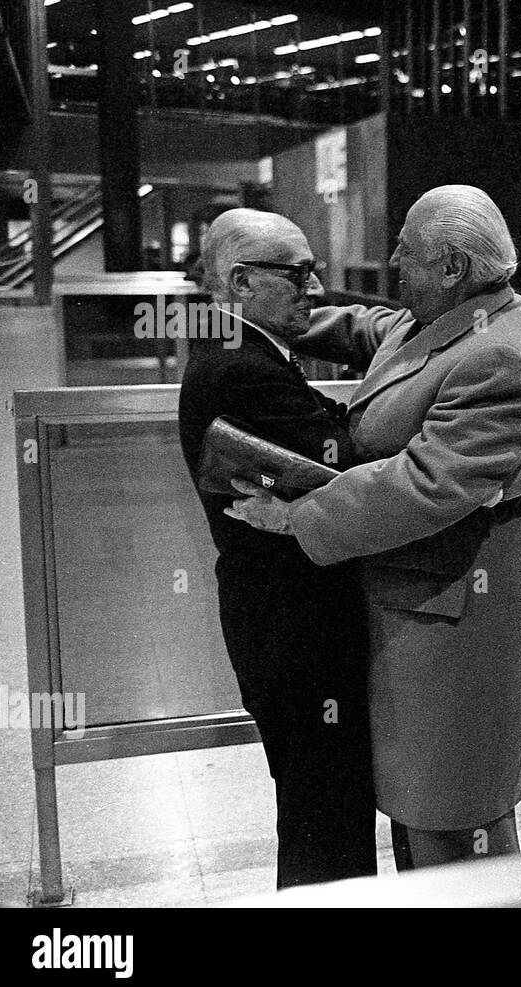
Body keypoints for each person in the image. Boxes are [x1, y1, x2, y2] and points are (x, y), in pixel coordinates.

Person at [227, 185, 521, 869]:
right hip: (420, 611)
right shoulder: (443, 320)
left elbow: (424, 484)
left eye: (408, 252)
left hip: (457, 629)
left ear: (454, 268)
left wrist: (301, 516)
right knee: (423, 805)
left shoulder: (496, 356)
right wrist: (260, 315)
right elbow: (366, 332)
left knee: (454, 818)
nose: (393, 260)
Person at [177, 208, 377, 889]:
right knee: (328, 820)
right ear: (239, 283)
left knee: (316, 811)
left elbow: (324, 429)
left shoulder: (240, 355)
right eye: (297, 273)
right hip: (300, 635)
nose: (316, 286)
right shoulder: (241, 369)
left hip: (276, 626)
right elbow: (346, 454)